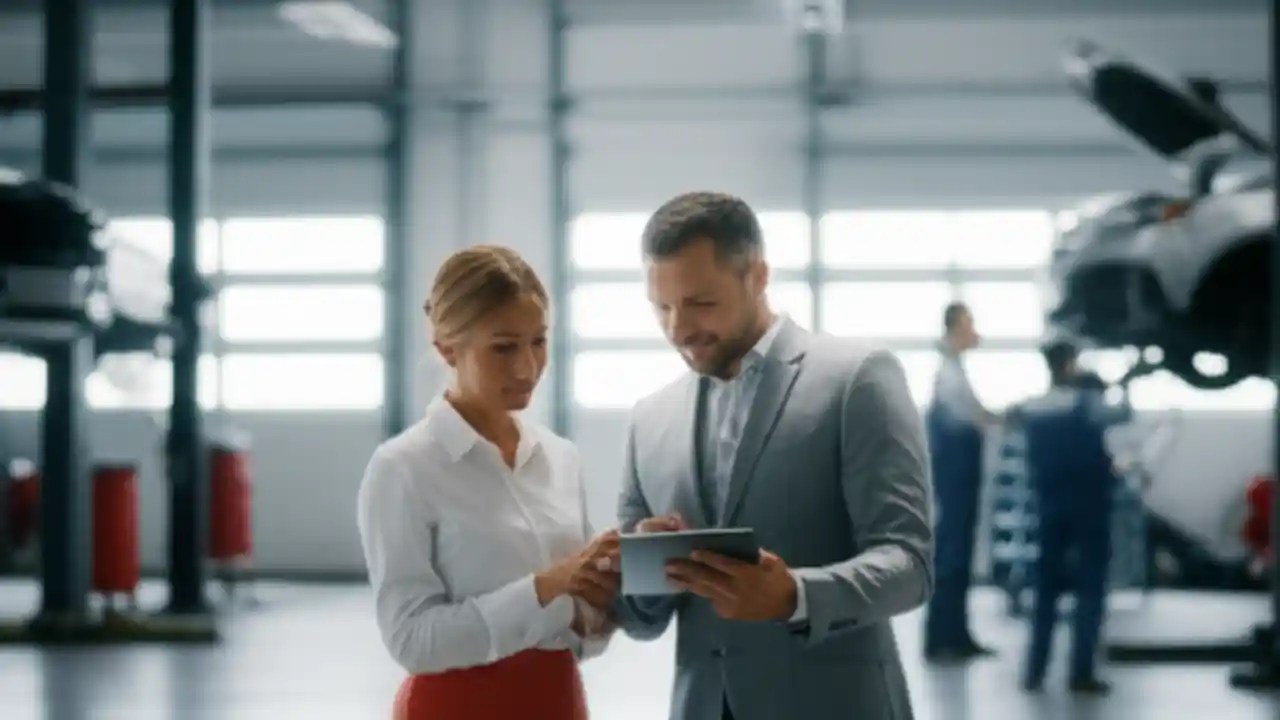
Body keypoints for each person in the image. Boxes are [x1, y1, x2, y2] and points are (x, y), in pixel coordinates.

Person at [612, 191, 933, 720]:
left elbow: (909, 564)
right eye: (662, 306)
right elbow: (637, 617)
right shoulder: (650, 420)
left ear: (757, 277)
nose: (677, 328)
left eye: (700, 303)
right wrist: (647, 571)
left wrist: (795, 595)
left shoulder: (857, 379)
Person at [356, 245, 621, 720]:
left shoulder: (561, 459)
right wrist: (544, 588)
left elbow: (582, 636)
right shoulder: (402, 468)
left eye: (538, 342)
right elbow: (411, 641)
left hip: (558, 702)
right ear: (447, 348)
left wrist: (603, 598)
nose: (527, 367)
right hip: (456, 707)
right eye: (503, 347)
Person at [1020, 340, 1131, 695]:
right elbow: (1125, 414)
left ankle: (1034, 671)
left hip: (1049, 509)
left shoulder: (1033, 409)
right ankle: (1080, 673)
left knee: (1046, 590)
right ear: (1069, 365)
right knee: (1090, 589)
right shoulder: (1088, 405)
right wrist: (1122, 386)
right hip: (1089, 508)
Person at [922, 301, 998, 661]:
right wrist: (988, 420)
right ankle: (941, 638)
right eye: (970, 323)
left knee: (959, 556)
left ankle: (957, 633)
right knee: (952, 557)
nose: (975, 331)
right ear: (954, 328)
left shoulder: (956, 371)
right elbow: (969, 419)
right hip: (955, 482)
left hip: (961, 482)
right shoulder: (948, 376)